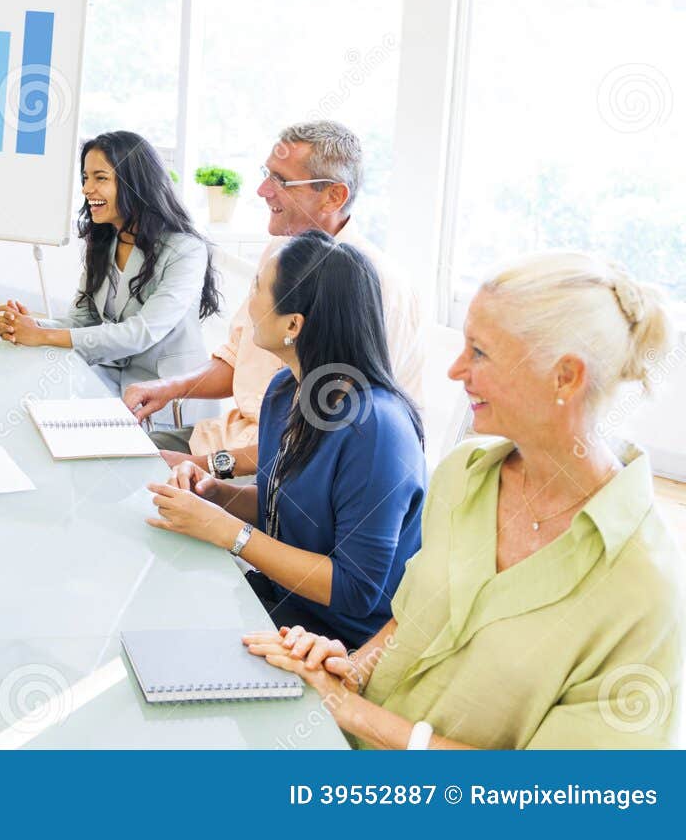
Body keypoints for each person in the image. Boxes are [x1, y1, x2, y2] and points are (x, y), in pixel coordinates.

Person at [246, 253, 683, 749]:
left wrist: (355, 712)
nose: (456, 370)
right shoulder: (463, 474)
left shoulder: (646, 588)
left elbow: (569, 796)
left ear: (566, 377)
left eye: (479, 352)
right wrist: (346, 668)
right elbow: (406, 625)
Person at [148, 232, 425, 647]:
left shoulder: (377, 431)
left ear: (294, 324)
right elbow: (282, 510)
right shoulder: (285, 391)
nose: (250, 299)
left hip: (336, 643)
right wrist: (213, 493)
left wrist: (229, 533)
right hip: (278, 605)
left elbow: (356, 590)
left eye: (258, 286)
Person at [125, 120, 423, 478]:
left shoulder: (376, 286)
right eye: (268, 173)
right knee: (110, 461)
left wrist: (204, 467)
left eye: (282, 180)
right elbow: (238, 358)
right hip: (225, 440)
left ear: (334, 196)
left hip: (287, 474)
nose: (263, 189)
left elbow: (326, 442)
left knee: (132, 488)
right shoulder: (279, 253)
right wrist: (167, 389)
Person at [0, 132, 221, 426]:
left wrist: (42, 335)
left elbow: (141, 332)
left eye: (100, 178)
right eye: (85, 177)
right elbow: (80, 320)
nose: (87, 189)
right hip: (111, 386)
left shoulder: (186, 250)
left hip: (168, 405)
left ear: (135, 183)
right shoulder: (105, 242)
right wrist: (27, 326)